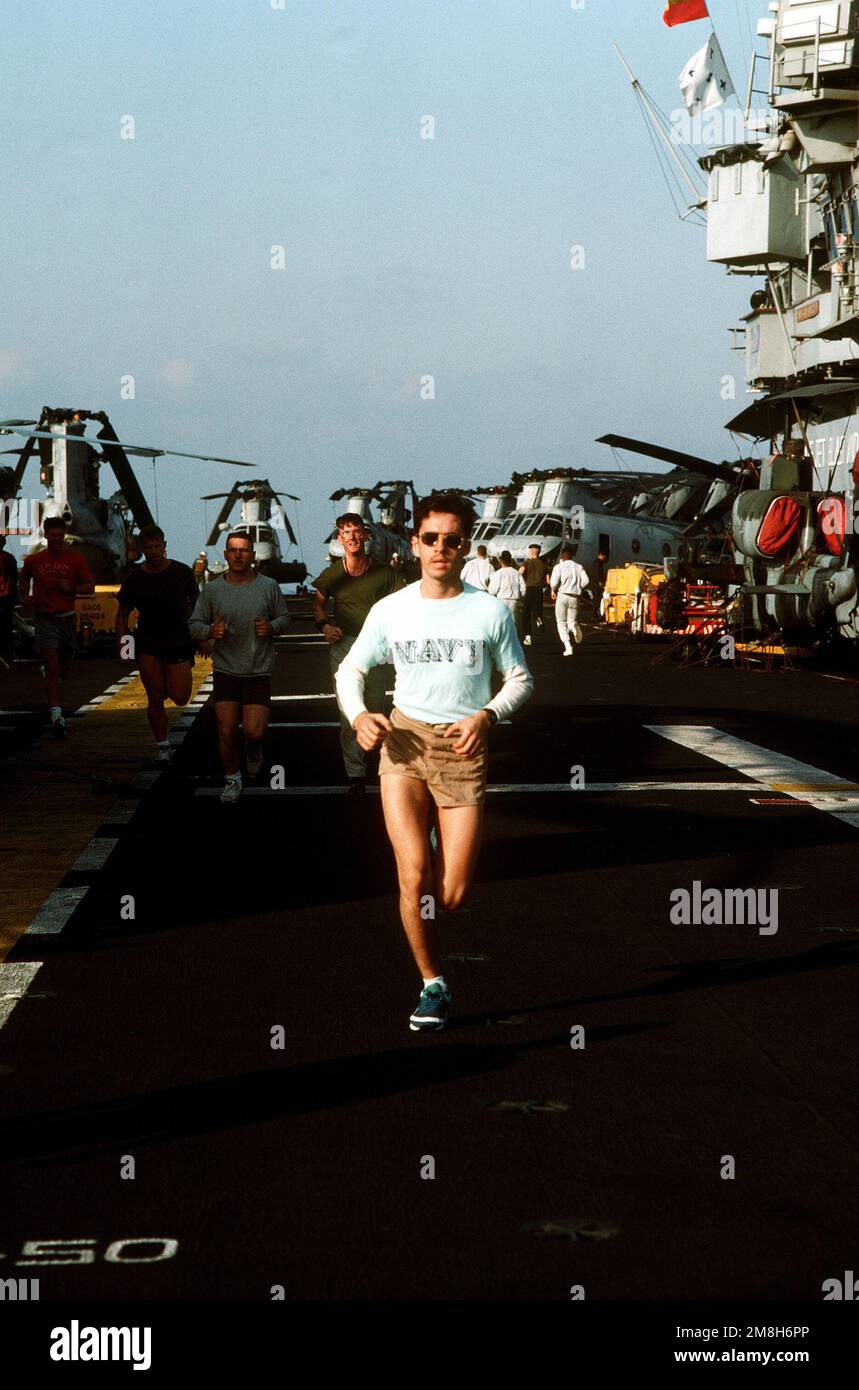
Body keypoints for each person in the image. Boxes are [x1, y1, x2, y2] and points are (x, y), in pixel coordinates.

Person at [335, 493, 533, 1032]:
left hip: (462, 749)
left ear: (465, 546)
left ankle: (448, 844)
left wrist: (486, 717)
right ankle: (432, 983)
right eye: (430, 538)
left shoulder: (489, 610)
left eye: (451, 539)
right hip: (404, 743)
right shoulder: (391, 609)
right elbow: (349, 671)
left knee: (451, 895)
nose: (440, 548)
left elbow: (520, 679)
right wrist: (359, 717)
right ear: (415, 543)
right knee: (412, 874)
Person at [188, 531, 290, 803]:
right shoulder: (212, 590)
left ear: (253, 555)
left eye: (244, 550)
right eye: (233, 550)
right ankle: (232, 778)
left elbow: (284, 618)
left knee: (254, 732)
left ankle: (253, 749)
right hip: (226, 670)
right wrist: (210, 630)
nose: (238, 555)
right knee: (226, 729)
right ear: (225, 554)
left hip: (258, 670)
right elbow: (194, 625)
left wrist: (271, 627)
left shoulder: (268, 586)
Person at [312, 513, 404, 794]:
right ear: (339, 539)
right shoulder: (332, 574)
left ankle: (380, 763)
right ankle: (355, 774)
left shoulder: (385, 572)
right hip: (343, 646)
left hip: (375, 647)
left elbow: (402, 604)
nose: (351, 537)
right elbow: (317, 604)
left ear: (365, 535)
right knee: (348, 712)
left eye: (356, 532)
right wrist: (325, 626)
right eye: (345, 533)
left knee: (375, 707)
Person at [116, 524, 199, 761]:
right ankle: (162, 744)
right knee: (154, 695)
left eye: (157, 547)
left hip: (179, 642)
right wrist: (124, 645)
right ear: (142, 549)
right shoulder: (135, 578)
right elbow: (122, 613)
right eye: (148, 547)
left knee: (180, 696)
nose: (153, 551)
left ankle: (167, 689)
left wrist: (203, 636)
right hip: (148, 644)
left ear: (165, 546)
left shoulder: (182, 572)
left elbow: (199, 605)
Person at [19, 516, 94, 735]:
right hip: (45, 618)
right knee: (52, 666)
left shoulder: (76, 560)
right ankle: (55, 714)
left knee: (65, 668)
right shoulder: (34, 561)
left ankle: (52, 673)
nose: (57, 539)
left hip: (68, 618)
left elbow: (89, 587)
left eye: (60, 535)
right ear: (46, 536)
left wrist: (71, 587)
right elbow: (24, 577)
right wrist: (24, 594)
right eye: (53, 535)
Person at [550, 545, 589, 656]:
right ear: (572, 556)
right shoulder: (579, 567)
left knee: (561, 622)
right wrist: (579, 586)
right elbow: (586, 581)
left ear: (562, 556)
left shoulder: (558, 567)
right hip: (575, 596)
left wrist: (553, 590)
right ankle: (573, 627)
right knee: (571, 620)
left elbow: (553, 583)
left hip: (562, 595)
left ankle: (568, 647)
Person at [488, 549, 525, 631]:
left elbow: (492, 590)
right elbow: (523, 588)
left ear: (501, 560)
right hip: (514, 601)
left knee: (501, 622)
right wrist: (520, 597)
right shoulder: (516, 573)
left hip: (501, 600)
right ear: (510, 560)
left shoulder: (497, 574)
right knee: (513, 623)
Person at [519, 543, 547, 646]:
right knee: (537, 611)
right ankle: (538, 619)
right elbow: (547, 580)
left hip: (529, 589)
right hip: (539, 590)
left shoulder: (526, 563)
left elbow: (519, 574)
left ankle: (528, 636)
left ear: (531, 552)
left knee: (526, 613)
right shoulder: (543, 565)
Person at [0, 536, 18, 669]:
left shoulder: (8, 558)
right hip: (8, 600)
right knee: (6, 628)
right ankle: (8, 655)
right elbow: (14, 578)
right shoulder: (10, 558)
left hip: (4, 598)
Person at [591, 550, 608, 621]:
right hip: (597, 584)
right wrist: (600, 583)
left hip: (594, 583)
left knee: (596, 600)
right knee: (597, 600)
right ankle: (595, 615)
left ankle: (595, 615)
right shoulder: (599, 563)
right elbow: (598, 574)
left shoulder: (595, 562)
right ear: (602, 556)